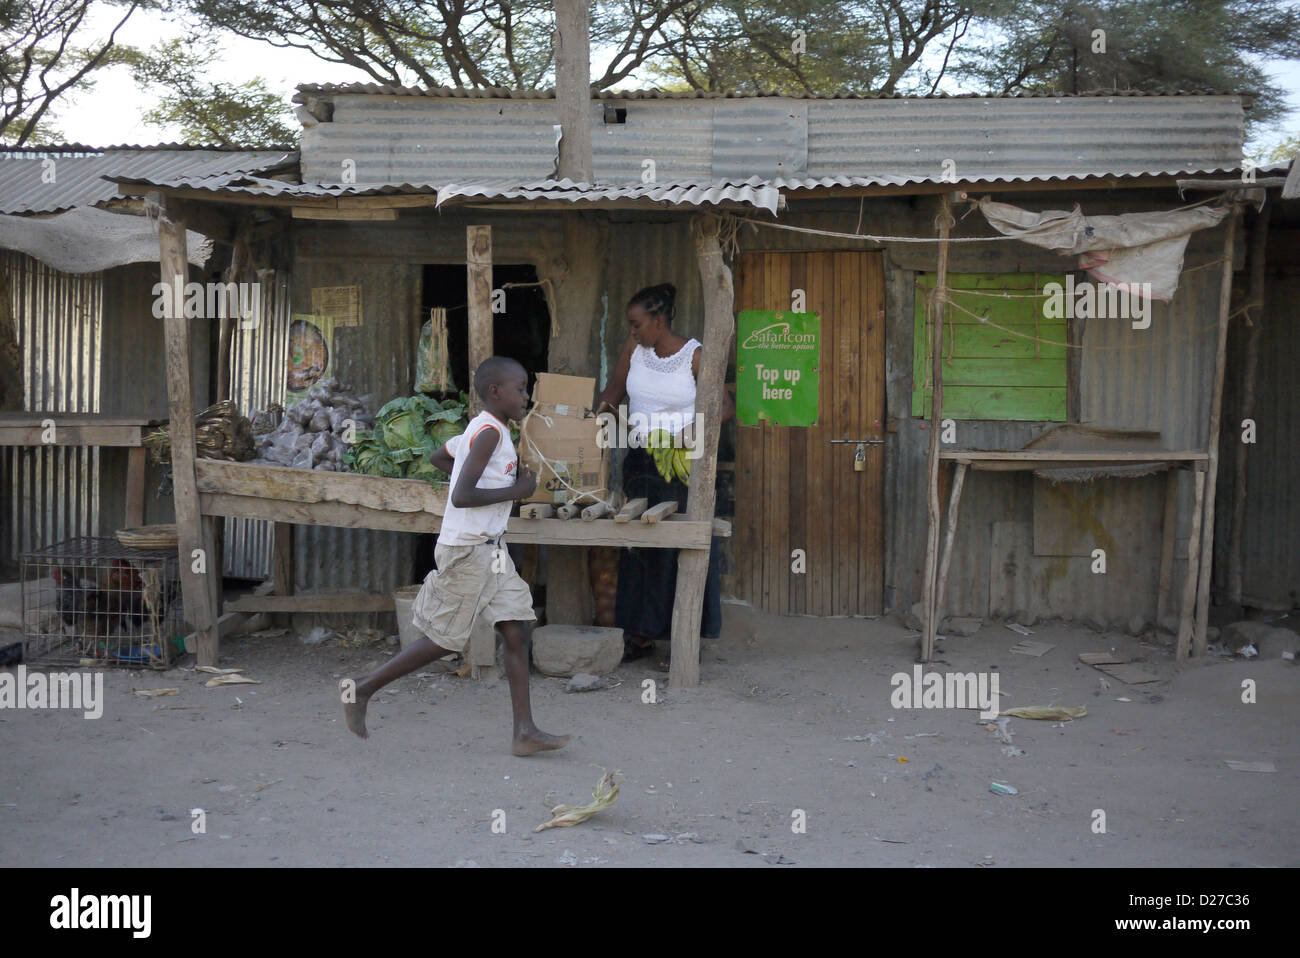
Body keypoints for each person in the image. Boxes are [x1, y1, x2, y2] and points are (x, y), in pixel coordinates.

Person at [341, 356, 570, 757]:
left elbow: (440, 457)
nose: (526, 396)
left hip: (492, 551)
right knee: (443, 640)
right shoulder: (488, 435)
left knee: (516, 631)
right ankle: (362, 688)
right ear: (495, 392)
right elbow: (462, 497)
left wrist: (497, 483)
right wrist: (516, 491)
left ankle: (524, 732)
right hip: (468, 550)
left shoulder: (484, 429)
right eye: (520, 389)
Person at [596, 283, 734, 670]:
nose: (633, 332)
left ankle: (683, 636)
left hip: (685, 463)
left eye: (637, 324)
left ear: (659, 320)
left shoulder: (694, 356)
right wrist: (595, 418)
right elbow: (614, 391)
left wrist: (692, 431)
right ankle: (639, 634)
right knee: (641, 546)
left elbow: (724, 406)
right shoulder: (633, 352)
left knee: (681, 547)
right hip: (641, 461)